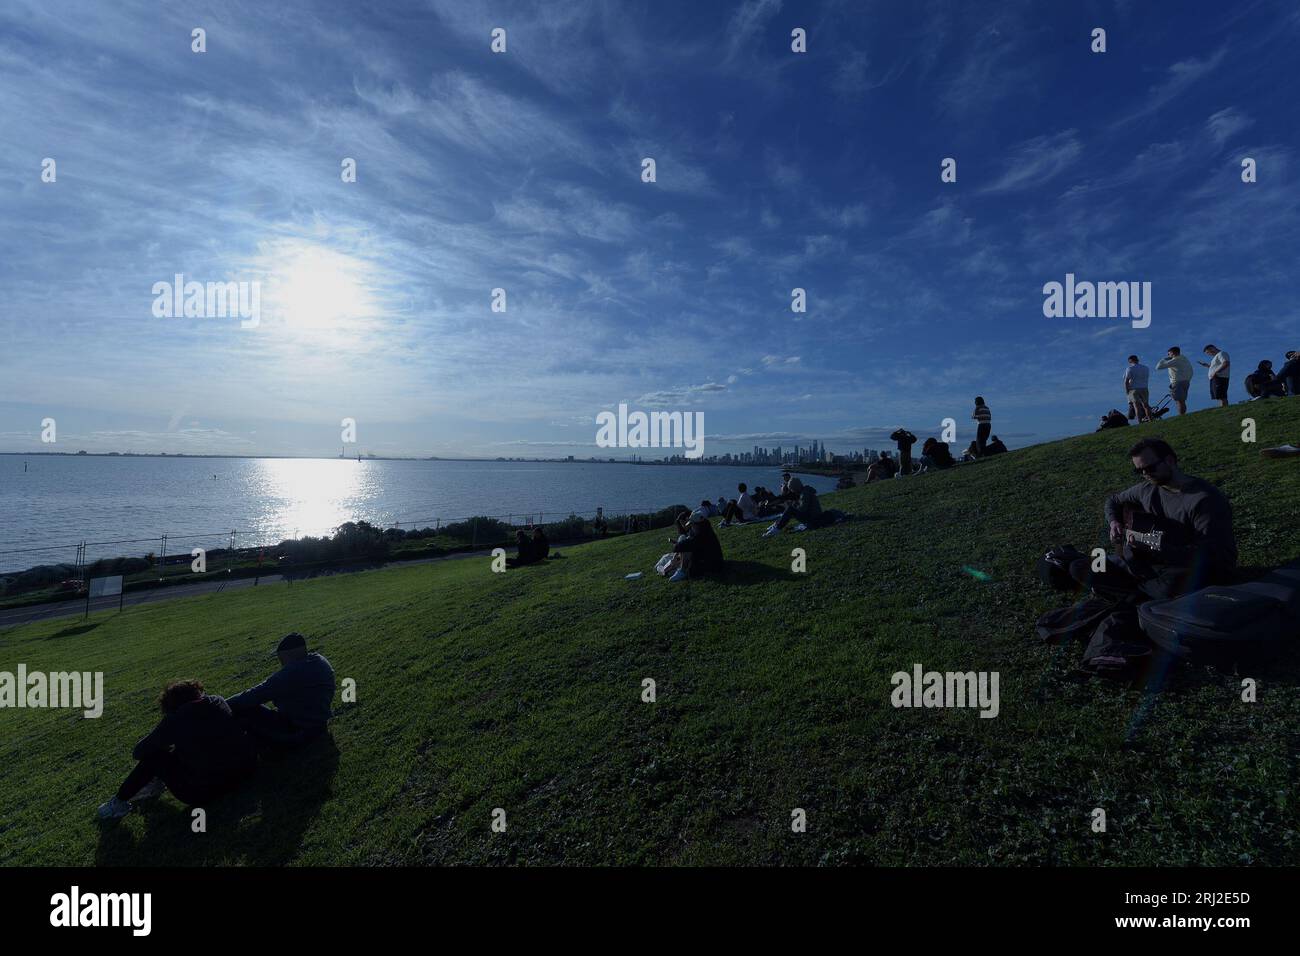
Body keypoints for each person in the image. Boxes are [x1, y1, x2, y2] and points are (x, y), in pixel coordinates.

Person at [1068, 438, 1236, 602]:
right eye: (1139, 471)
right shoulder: (1147, 489)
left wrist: (1158, 549)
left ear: (1170, 461)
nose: (1145, 474)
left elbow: (1212, 556)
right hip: (1149, 564)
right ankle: (1138, 591)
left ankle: (1132, 592)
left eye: (1149, 468)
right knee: (1078, 567)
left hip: (1190, 567)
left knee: (1170, 585)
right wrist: (1114, 523)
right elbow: (1113, 500)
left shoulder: (1204, 500)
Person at [97, 679, 257, 820]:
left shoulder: (175, 720)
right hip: (246, 770)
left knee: (155, 758)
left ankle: (118, 802)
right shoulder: (218, 701)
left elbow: (139, 752)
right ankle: (152, 784)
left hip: (207, 790)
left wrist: (166, 740)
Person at [228, 633, 336, 747]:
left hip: (298, 732)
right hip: (319, 726)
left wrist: (220, 704)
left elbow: (253, 695)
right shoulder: (320, 661)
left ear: (290, 655)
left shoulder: (292, 672)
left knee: (242, 711)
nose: (282, 665)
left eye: (282, 660)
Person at [762, 482, 845, 536]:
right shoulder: (805, 491)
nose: (792, 491)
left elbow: (802, 509)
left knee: (790, 509)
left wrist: (794, 505)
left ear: (795, 488)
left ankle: (777, 529)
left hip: (813, 519)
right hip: (814, 517)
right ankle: (777, 525)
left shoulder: (804, 494)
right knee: (790, 508)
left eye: (792, 489)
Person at [667, 509, 724, 582]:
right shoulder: (706, 530)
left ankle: (682, 571)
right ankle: (679, 568)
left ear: (696, 524)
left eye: (692, 524)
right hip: (716, 561)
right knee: (685, 545)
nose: (691, 526)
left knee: (686, 548)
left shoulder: (700, 535)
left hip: (711, 566)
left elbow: (678, 547)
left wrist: (678, 544)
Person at [1155, 346, 1194, 415]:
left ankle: (1181, 415)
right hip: (1186, 381)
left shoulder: (1175, 360)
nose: (1168, 355)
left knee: (1179, 401)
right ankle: (1183, 415)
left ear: (1172, 353)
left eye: (1169, 353)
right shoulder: (1184, 359)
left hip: (1177, 382)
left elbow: (1158, 367)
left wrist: (1164, 359)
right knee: (1182, 400)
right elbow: (1191, 371)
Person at [1123, 356, 1152, 423]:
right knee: (1146, 405)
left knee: (1137, 406)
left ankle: (1140, 421)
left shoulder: (1130, 368)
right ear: (1137, 360)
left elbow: (1126, 381)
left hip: (1134, 389)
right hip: (1144, 388)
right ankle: (1151, 420)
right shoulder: (1146, 368)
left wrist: (1127, 391)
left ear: (1130, 361)